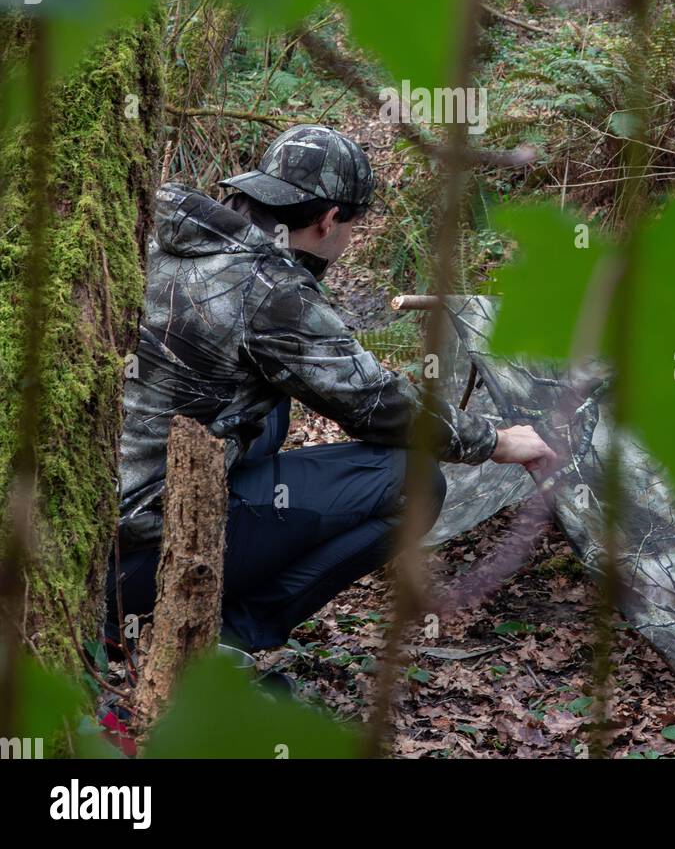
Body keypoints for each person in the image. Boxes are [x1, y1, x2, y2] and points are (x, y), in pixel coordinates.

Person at [106, 124, 554, 655]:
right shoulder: (268, 289)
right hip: (142, 552)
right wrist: (497, 441)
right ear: (327, 219)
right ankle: (233, 633)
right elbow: (378, 406)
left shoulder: (158, 236)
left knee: (269, 414)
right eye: (352, 227)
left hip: (88, 526)